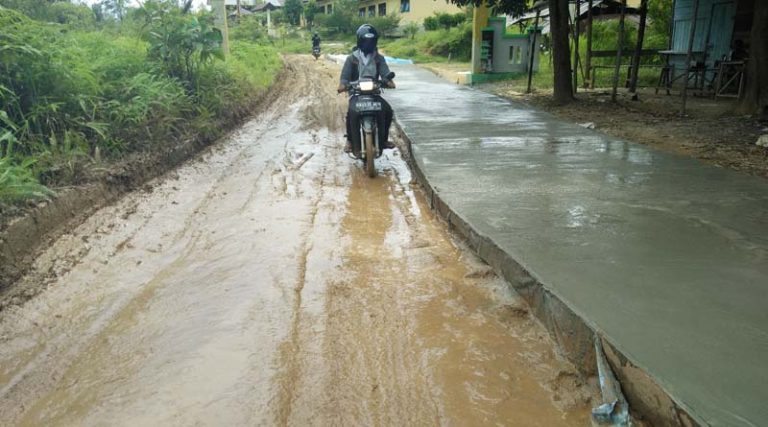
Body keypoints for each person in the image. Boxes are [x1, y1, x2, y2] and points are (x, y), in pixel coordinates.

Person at [337, 24, 396, 154]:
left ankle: (384, 140)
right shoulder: (351, 59)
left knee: (388, 111)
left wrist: (388, 80)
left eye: (371, 41)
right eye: (366, 41)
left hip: (374, 92)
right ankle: (350, 141)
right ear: (360, 41)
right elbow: (345, 76)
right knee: (350, 114)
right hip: (356, 93)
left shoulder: (379, 58)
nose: (368, 44)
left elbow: (385, 72)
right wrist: (343, 84)